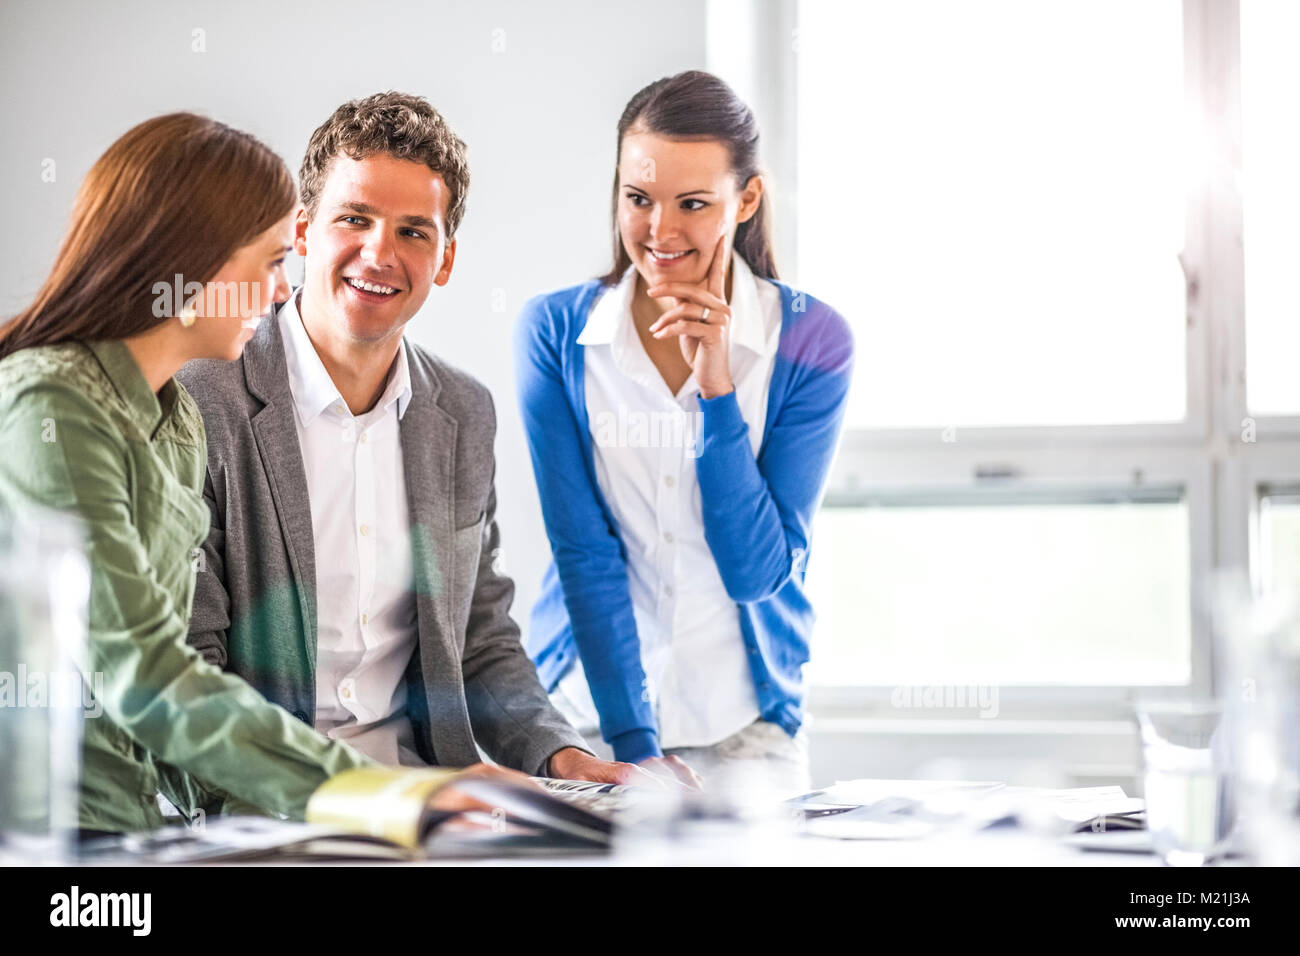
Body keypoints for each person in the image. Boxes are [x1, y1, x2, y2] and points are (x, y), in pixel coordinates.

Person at [177, 93, 661, 793]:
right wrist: (371, 798)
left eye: (413, 231)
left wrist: (567, 760)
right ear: (304, 232)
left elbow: (479, 639)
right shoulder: (206, 398)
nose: (381, 253)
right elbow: (191, 665)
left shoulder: (463, 414)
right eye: (355, 219)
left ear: (445, 258)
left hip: (434, 810)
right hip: (267, 808)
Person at [0, 113, 383, 834]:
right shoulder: (47, 406)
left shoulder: (179, 422)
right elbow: (144, 675)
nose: (279, 292)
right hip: (48, 839)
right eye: (270, 261)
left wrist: (301, 819)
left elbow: (170, 699)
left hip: (133, 826)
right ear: (190, 258)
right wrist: (367, 796)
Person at [514, 71, 855, 794]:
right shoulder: (554, 333)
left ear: (747, 199)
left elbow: (756, 572)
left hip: (746, 733)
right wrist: (635, 747)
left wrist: (717, 391)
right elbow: (584, 555)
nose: (660, 232)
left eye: (693, 204)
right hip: (583, 723)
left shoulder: (813, 341)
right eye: (638, 199)